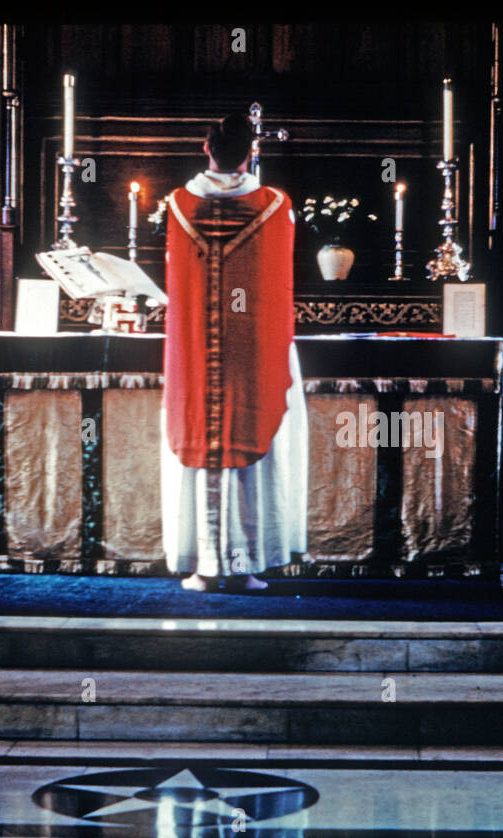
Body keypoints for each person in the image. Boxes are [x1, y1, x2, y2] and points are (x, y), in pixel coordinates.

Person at [161, 113, 307, 592]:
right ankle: (244, 567)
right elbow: (279, 284)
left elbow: (178, 282)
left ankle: (204, 565)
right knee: (250, 442)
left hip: (195, 352)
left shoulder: (179, 205)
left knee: (204, 438)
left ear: (206, 149)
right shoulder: (276, 205)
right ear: (251, 152)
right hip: (254, 353)